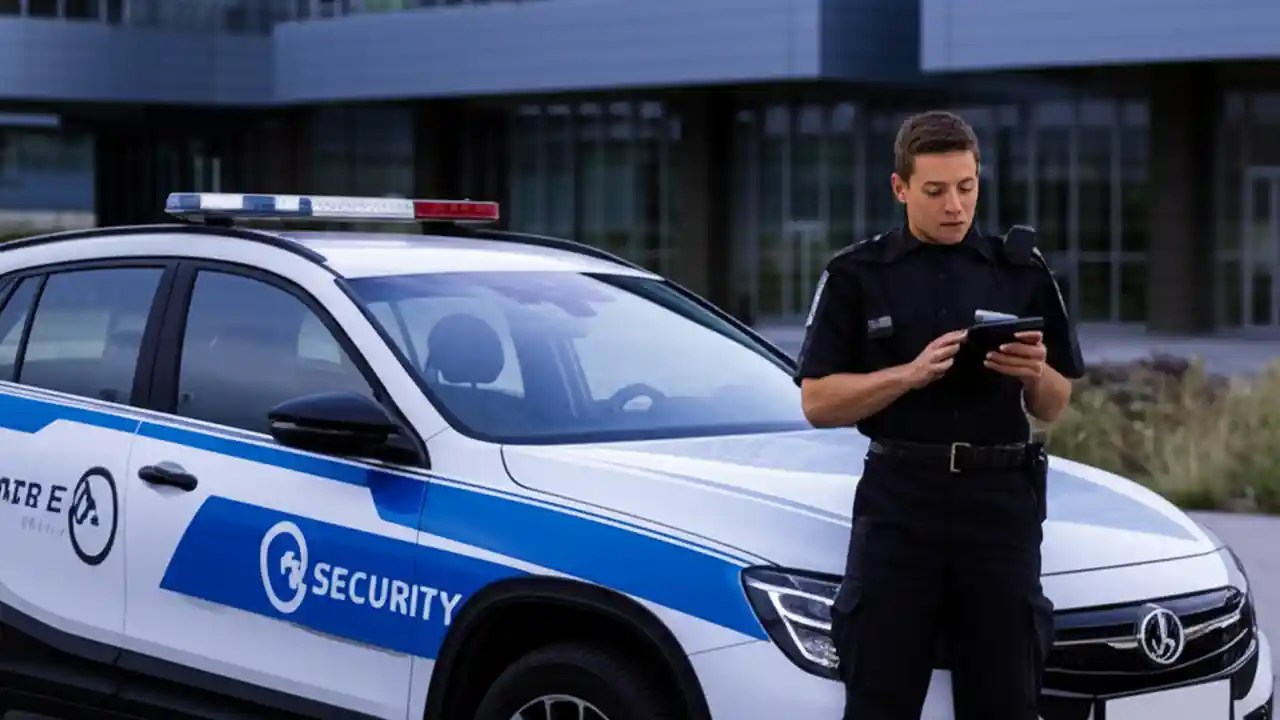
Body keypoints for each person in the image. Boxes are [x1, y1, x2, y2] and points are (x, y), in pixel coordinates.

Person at [795, 110, 1085, 720]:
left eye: (966, 187)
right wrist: (908, 374)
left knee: (1006, 699)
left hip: (1000, 507)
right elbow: (817, 402)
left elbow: (1055, 405)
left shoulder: (1022, 272)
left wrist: (1034, 373)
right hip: (902, 505)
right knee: (881, 696)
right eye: (935, 191)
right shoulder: (857, 275)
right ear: (900, 188)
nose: (954, 205)